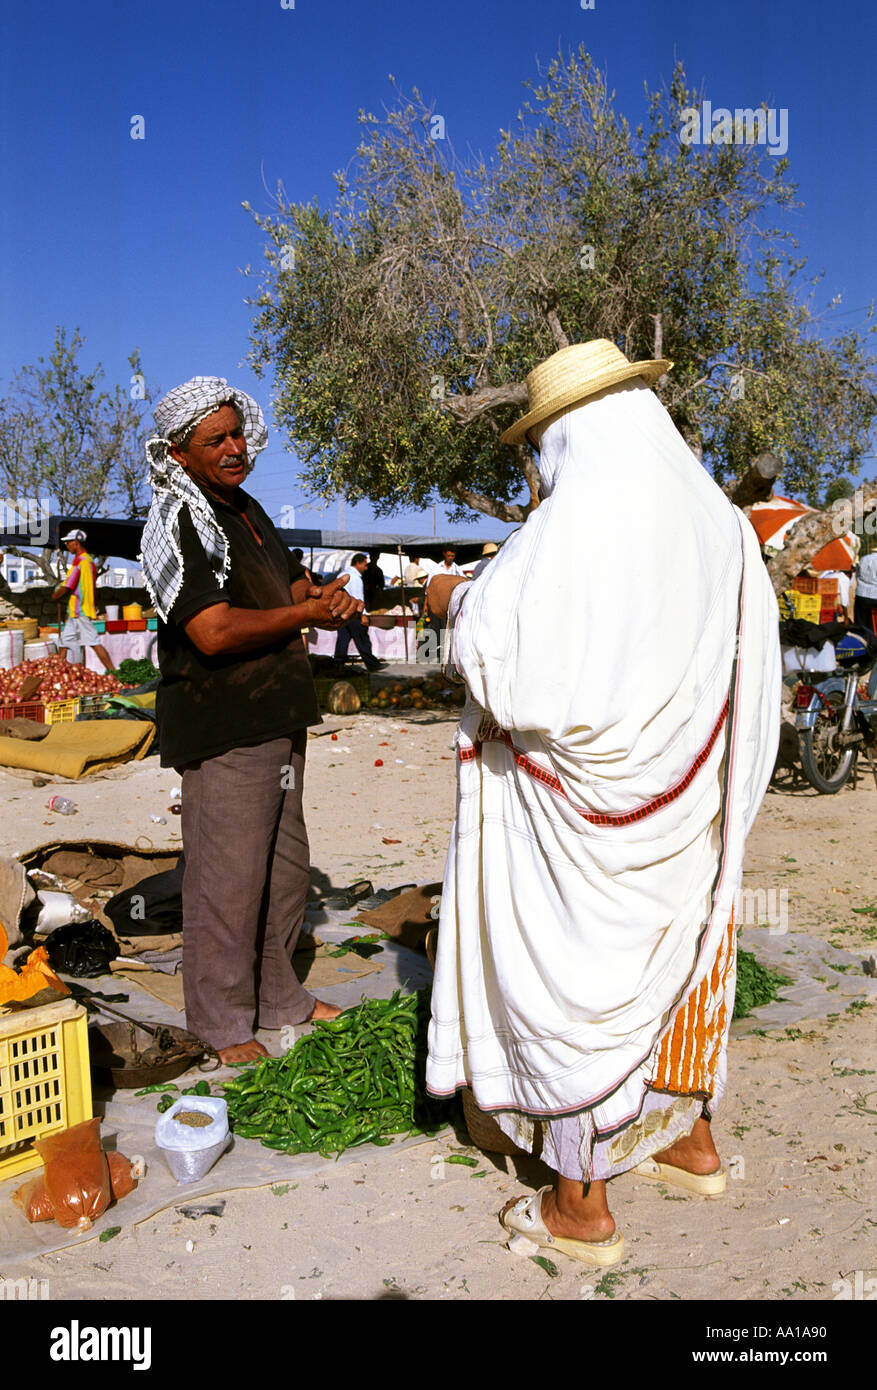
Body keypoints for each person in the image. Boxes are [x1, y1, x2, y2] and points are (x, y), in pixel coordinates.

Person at [425, 339, 779, 1266]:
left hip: (582, 826)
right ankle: (691, 1144)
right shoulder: (721, 522)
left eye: (546, 441)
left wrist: (449, 600)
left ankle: (581, 1207)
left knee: (582, 982)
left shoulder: (571, 528)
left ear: (569, 431)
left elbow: (509, 666)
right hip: (688, 807)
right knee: (681, 958)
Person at [140, 376, 363, 1065]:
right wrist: (304, 615)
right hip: (223, 722)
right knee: (227, 879)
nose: (235, 448)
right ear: (179, 453)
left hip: (277, 716)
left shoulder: (246, 510)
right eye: (217, 440)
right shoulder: (178, 522)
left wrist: (322, 595)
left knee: (284, 869)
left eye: (238, 434)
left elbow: (282, 586)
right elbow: (211, 630)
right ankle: (219, 1019)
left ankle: (278, 999)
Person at [51, 530, 115, 671]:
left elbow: (68, 585)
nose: (67, 545)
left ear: (76, 543)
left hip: (80, 610)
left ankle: (114, 672)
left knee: (94, 642)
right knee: (64, 642)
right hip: (75, 611)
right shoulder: (89, 562)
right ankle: (56, 672)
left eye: (68, 542)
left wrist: (55, 596)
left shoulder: (80, 562)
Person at [333, 553, 384, 670]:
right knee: (362, 639)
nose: (366, 568)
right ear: (358, 563)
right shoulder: (355, 578)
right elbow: (358, 599)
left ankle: (338, 664)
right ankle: (372, 664)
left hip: (342, 612)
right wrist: (363, 615)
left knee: (343, 638)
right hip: (353, 613)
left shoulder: (342, 574)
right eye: (365, 565)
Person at [853, 550, 877, 635]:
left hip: (861, 594)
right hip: (875, 595)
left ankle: (862, 638)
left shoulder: (863, 559)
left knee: (860, 621)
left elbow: (857, 575)